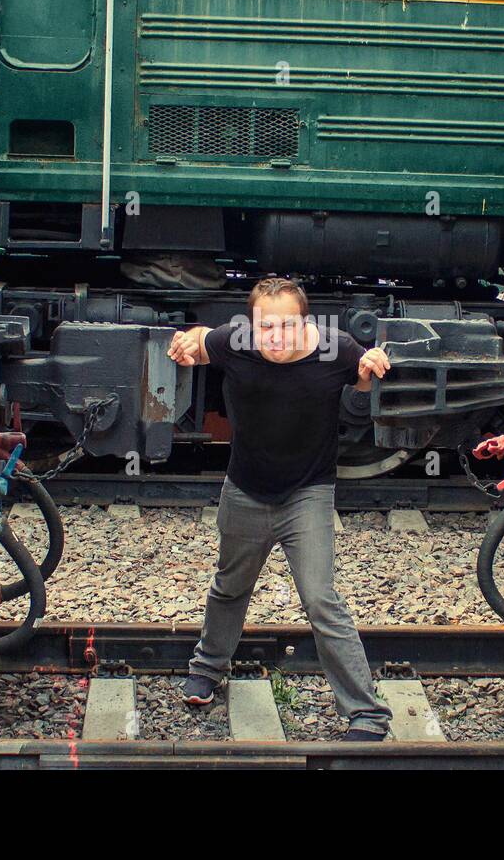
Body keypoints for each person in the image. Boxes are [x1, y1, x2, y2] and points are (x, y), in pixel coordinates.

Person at [166, 277, 395, 741]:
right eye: (265, 326)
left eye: (287, 326)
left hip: (307, 493)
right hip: (245, 489)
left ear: (305, 322)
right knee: (229, 586)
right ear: (252, 326)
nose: (275, 336)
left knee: (320, 600)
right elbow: (201, 341)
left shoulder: (338, 349)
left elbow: (358, 398)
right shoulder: (234, 342)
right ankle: (207, 669)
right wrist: (185, 346)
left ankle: (368, 714)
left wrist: (369, 373)